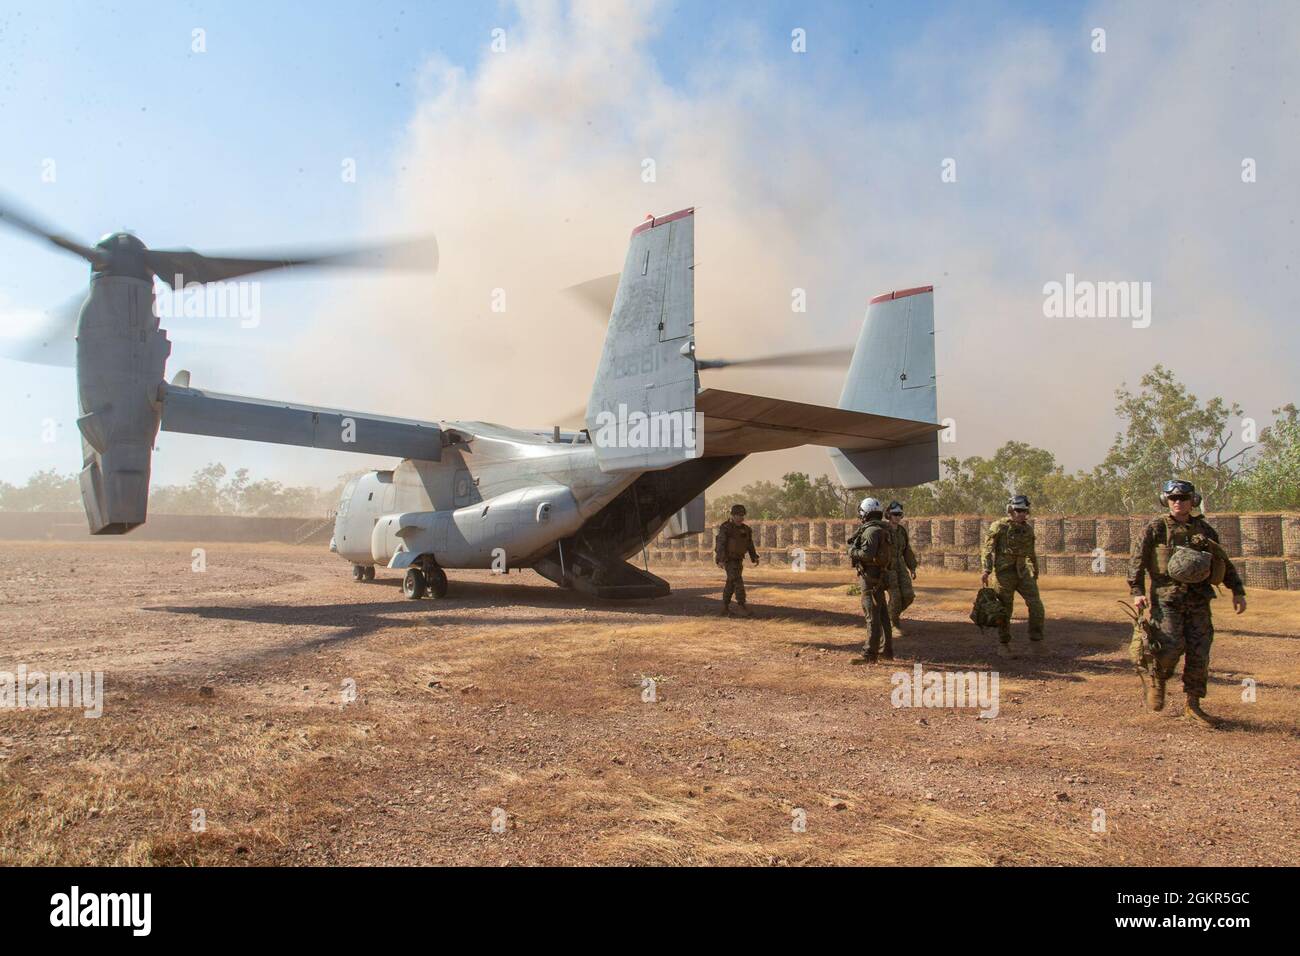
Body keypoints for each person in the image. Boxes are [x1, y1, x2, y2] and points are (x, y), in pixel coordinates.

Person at [1128, 479, 1247, 727]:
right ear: (1166, 501)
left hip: (1198, 600)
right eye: (1173, 498)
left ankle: (1193, 704)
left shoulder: (1204, 531)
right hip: (1166, 599)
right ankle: (1157, 678)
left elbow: (1222, 561)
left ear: (1193, 500)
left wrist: (1237, 590)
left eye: (1183, 498)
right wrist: (1137, 590)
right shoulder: (1155, 528)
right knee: (1170, 647)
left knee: (1200, 652)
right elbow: (1137, 560)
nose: (1178, 502)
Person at [980, 494, 1045, 657]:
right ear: (1010, 510)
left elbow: (1031, 553)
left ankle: (1036, 643)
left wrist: (1035, 572)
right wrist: (986, 570)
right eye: (1019, 510)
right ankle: (1004, 645)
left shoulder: (1027, 529)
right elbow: (987, 549)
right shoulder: (998, 527)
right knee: (1004, 610)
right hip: (1003, 575)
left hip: (1023, 573)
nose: (1022, 514)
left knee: (1037, 606)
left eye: (1024, 511)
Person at [848, 497, 894, 663]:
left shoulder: (870, 531)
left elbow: (867, 555)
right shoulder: (884, 529)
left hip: (870, 578)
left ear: (864, 513)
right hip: (881, 576)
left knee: (872, 616)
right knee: (882, 615)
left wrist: (852, 551)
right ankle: (886, 650)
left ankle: (869, 654)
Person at [715, 503, 759, 616]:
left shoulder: (746, 529)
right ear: (733, 515)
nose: (741, 517)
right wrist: (720, 559)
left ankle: (725, 607)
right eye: (738, 515)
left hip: (739, 560)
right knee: (737, 581)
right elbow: (720, 544)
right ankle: (741, 605)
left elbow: (749, 544)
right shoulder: (726, 528)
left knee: (731, 582)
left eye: (742, 515)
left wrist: (754, 556)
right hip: (728, 560)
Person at [884, 501, 917, 634]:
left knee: (909, 596)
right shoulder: (883, 530)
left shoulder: (902, 531)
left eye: (900, 514)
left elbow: (906, 550)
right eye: (895, 514)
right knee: (896, 597)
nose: (897, 517)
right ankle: (893, 623)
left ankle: (887, 615)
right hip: (888, 567)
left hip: (901, 566)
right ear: (889, 515)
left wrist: (912, 567)